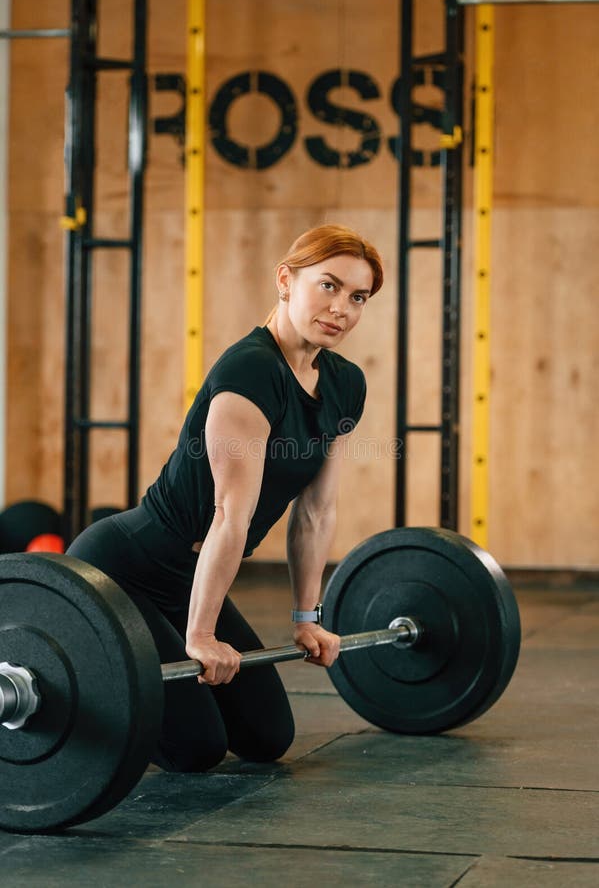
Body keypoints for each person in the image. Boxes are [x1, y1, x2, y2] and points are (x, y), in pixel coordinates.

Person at [67, 223, 384, 772]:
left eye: (358, 297)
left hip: (189, 577)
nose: (342, 309)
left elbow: (315, 511)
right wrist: (201, 634)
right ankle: (84, 687)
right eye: (328, 286)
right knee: (196, 749)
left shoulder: (345, 383)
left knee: (267, 737)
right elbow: (229, 516)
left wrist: (307, 617)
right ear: (286, 280)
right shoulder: (250, 369)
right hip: (124, 570)